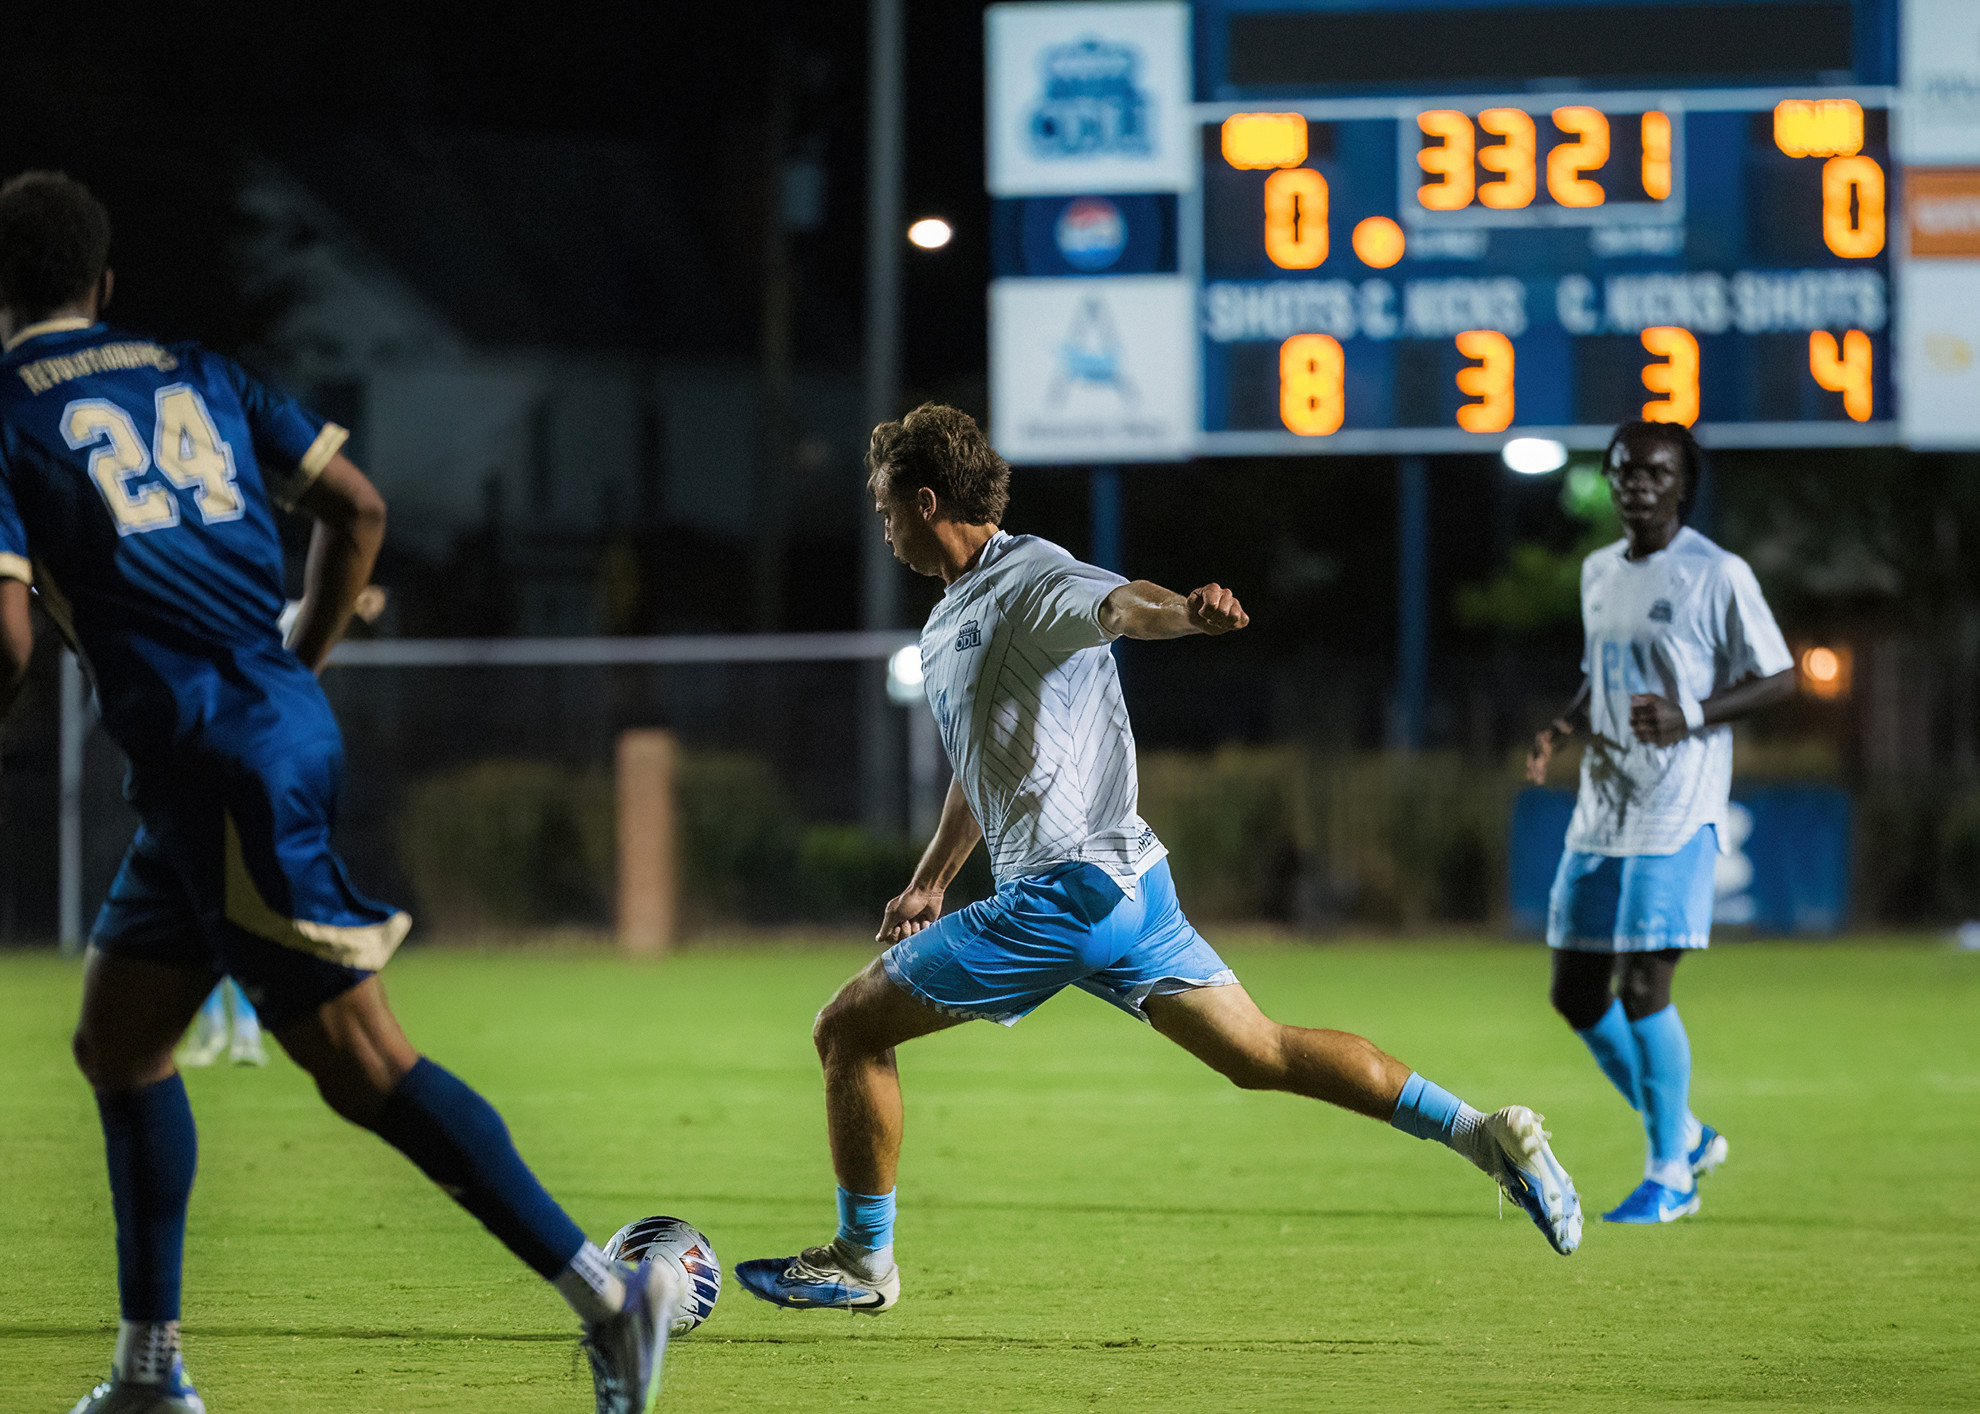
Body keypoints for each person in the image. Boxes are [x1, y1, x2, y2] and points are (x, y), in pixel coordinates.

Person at [0, 172, 676, 1414]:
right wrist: (294, 664)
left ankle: (611, 1296)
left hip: (215, 757)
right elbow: (357, 506)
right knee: (123, 1041)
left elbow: (8, 634)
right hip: (235, 747)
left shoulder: (5, 408)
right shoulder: (196, 367)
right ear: (104, 284)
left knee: (363, 1061)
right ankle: (149, 1373)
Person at [735, 403, 1583, 1314]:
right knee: (1261, 1052)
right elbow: (983, 766)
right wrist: (930, 880)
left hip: (1070, 894)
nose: (882, 525)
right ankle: (1483, 1134)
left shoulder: (1030, 573)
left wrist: (1187, 613)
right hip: (1130, 888)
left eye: (885, 507)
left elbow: (1122, 605)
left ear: (926, 500)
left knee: (847, 1030)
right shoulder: (951, 620)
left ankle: (864, 1261)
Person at [1526, 420, 1796, 1224]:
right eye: (1623, 471)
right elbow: (1600, 674)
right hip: (1603, 805)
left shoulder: (1718, 572)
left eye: (1654, 473)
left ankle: (1670, 1173)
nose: (1636, 485)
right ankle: (1686, 1134)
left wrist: (1692, 714)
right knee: (1576, 993)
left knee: (1644, 986)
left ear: (1683, 485)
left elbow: (1779, 676)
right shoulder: (1598, 570)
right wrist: (1564, 725)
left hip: (1678, 805)